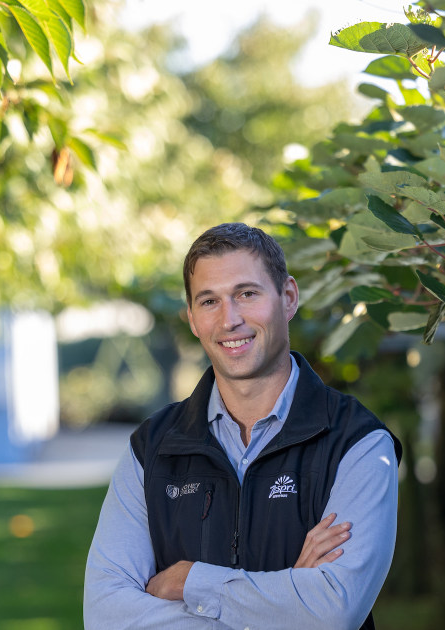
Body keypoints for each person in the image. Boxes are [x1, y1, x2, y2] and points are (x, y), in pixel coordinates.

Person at [83, 223, 401, 630]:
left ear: (287, 298)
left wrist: (191, 582)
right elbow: (105, 615)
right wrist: (290, 598)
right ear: (193, 319)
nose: (229, 320)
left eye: (246, 294)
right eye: (209, 301)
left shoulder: (357, 443)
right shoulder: (152, 449)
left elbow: (332, 612)